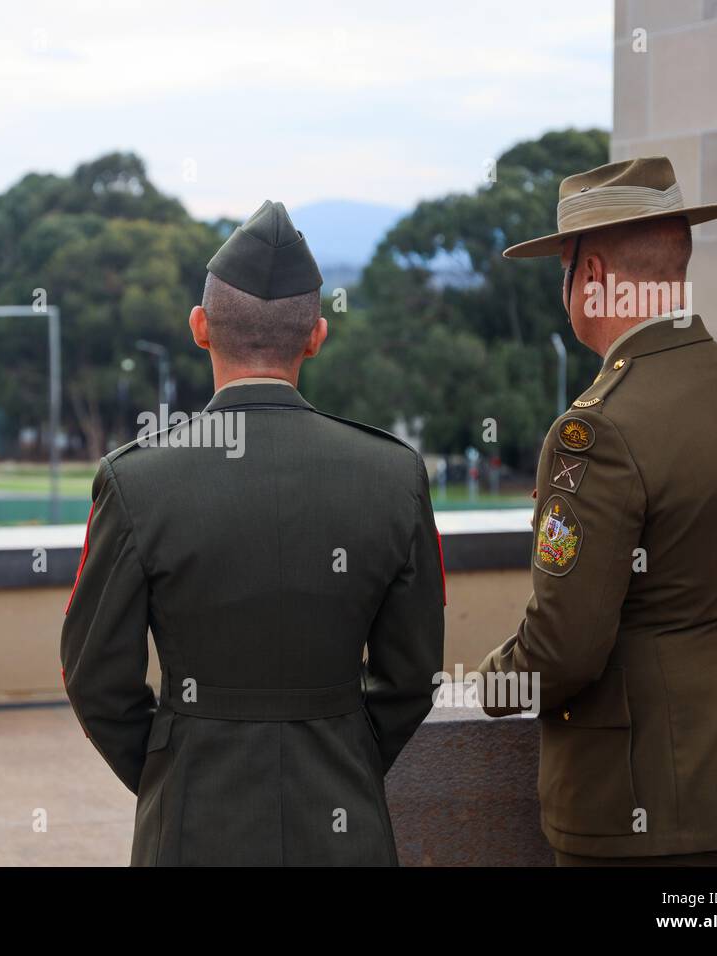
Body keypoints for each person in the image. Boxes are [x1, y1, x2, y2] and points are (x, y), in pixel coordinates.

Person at [61, 200, 445, 866]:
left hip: (193, 824)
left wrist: (172, 771)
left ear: (200, 327)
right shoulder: (393, 475)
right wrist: (344, 758)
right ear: (317, 335)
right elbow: (412, 675)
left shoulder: (139, 481)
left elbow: (96, 679)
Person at [478, 156, 717, 866]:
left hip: (644, 804)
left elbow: (562, 651)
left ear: (595, 278)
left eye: (564, 273)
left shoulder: (595, 429)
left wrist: (486, 681)